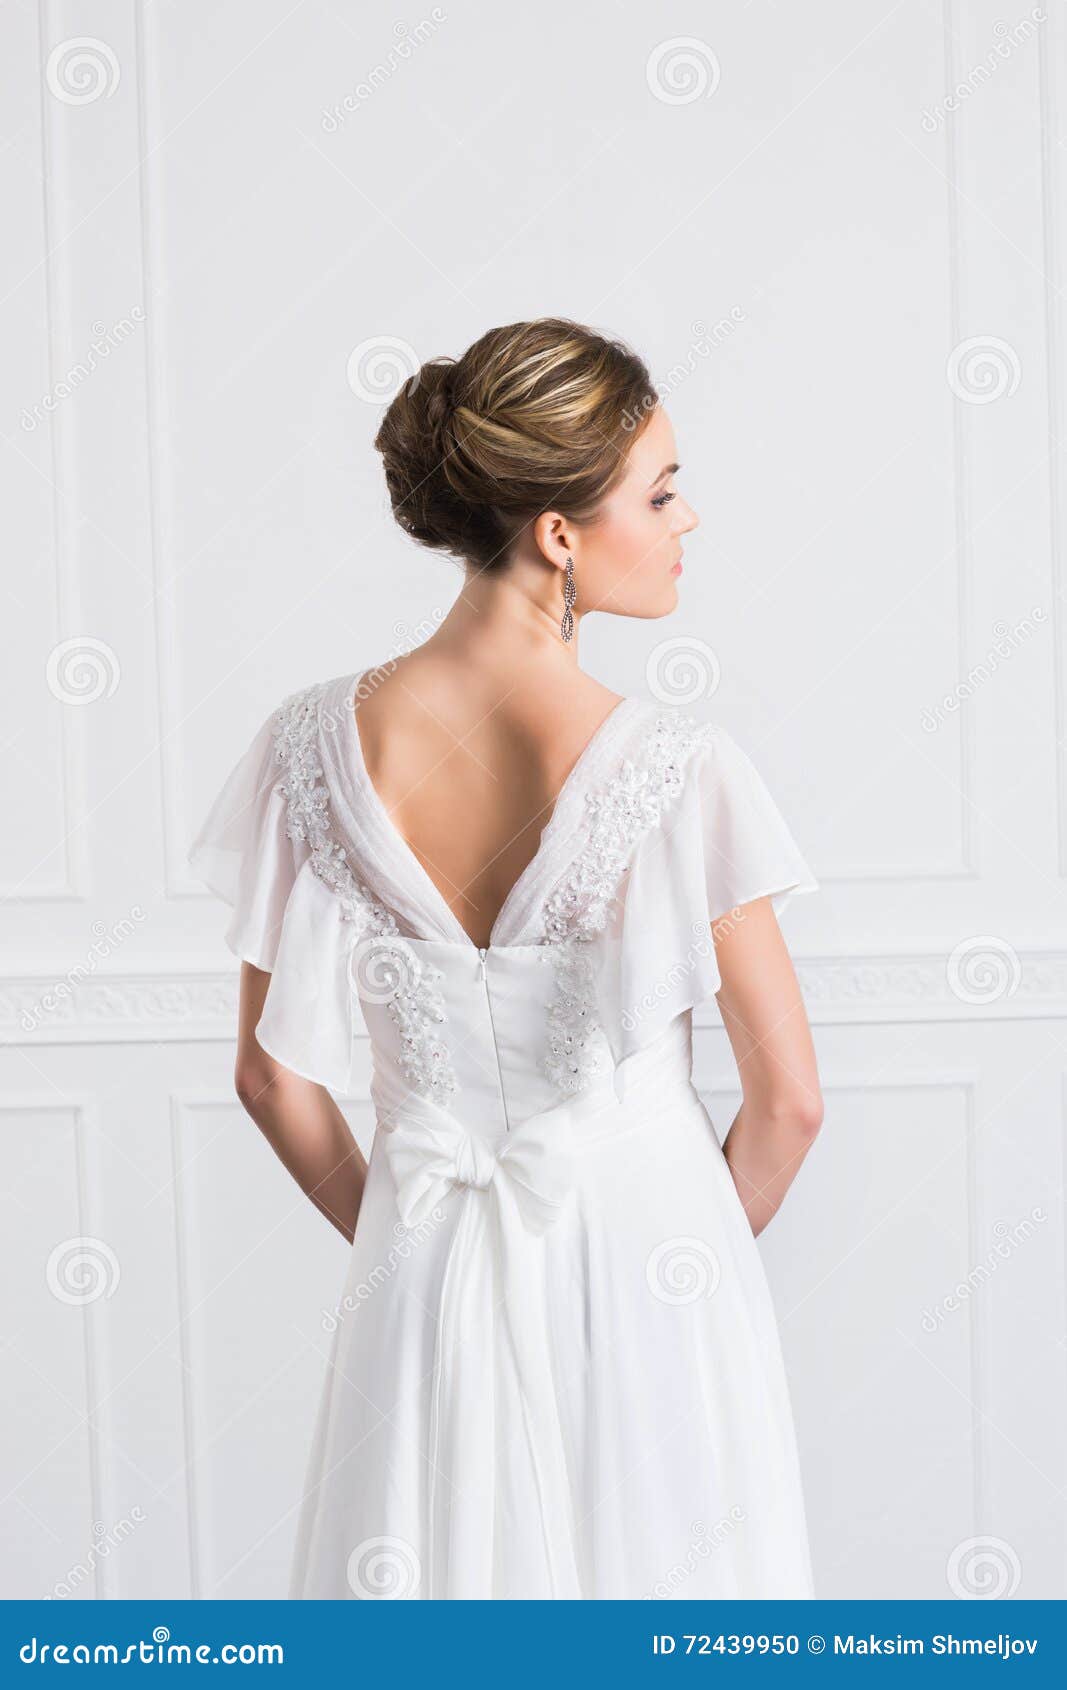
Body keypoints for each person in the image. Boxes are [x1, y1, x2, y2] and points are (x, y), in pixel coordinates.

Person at [190, 317, 824, 1600]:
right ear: (556, 533)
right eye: (658, 491)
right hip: (650, 1271)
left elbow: (270, 1082)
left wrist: (410, 1241)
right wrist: (675, 1263)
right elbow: (789, 1103)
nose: (686, 518)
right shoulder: (678, 768)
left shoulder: (307, 742)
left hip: (417, 1271)